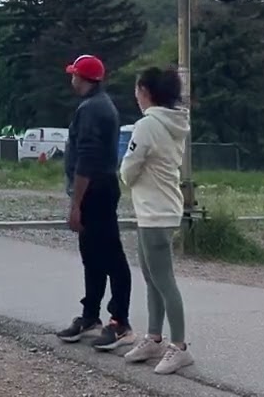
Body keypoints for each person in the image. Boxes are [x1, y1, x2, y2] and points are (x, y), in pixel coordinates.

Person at [55, 54, 134, 352]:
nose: (71, 78)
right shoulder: (99, 105)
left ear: (83, 78)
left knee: (111, 255)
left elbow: (86, 159)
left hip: (96, 191)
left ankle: (120, 320)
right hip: (99, 189)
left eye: (74, 74)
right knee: (92, 256)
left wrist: (76, 204)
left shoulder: (92, 109)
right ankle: (91, 315)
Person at [118, 66, 194, 375]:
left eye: (137, 90)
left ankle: (179, 346)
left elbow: (129, 168)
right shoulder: (174, 122)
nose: (135, 96)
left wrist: (127, 174)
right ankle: (154, 337)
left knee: (164, 280)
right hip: (157, 209)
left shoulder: (147, 125)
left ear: (146, 92)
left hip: (156, 212)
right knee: (151, 278)